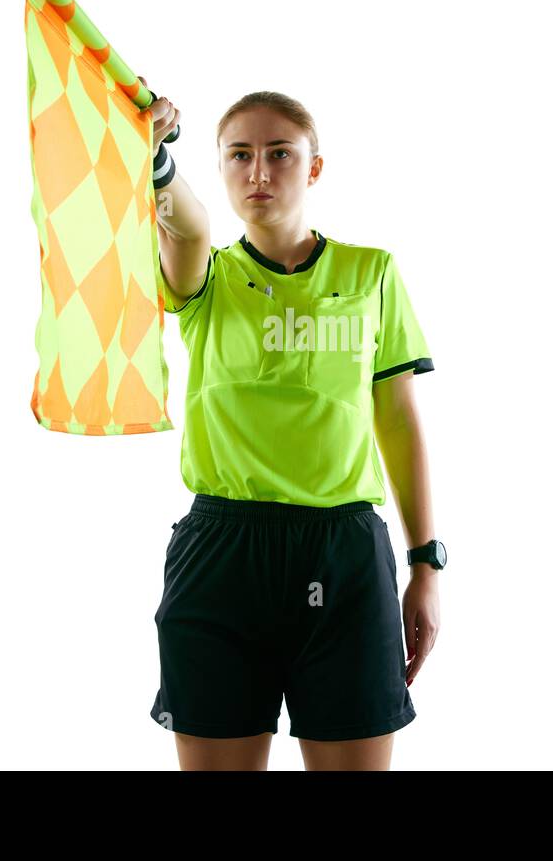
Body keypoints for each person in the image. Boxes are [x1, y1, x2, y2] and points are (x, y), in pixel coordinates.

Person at [144, 81, 443, 770]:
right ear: (219, 168)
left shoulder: (371, 274)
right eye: (238, 155)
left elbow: (398, 419)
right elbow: (184, 225)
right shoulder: (207, 280)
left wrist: (426, 562)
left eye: (280, 154)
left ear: (312, 167)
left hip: (342, 556)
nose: (258, 171)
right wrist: (160, 163)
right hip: (223, 552)